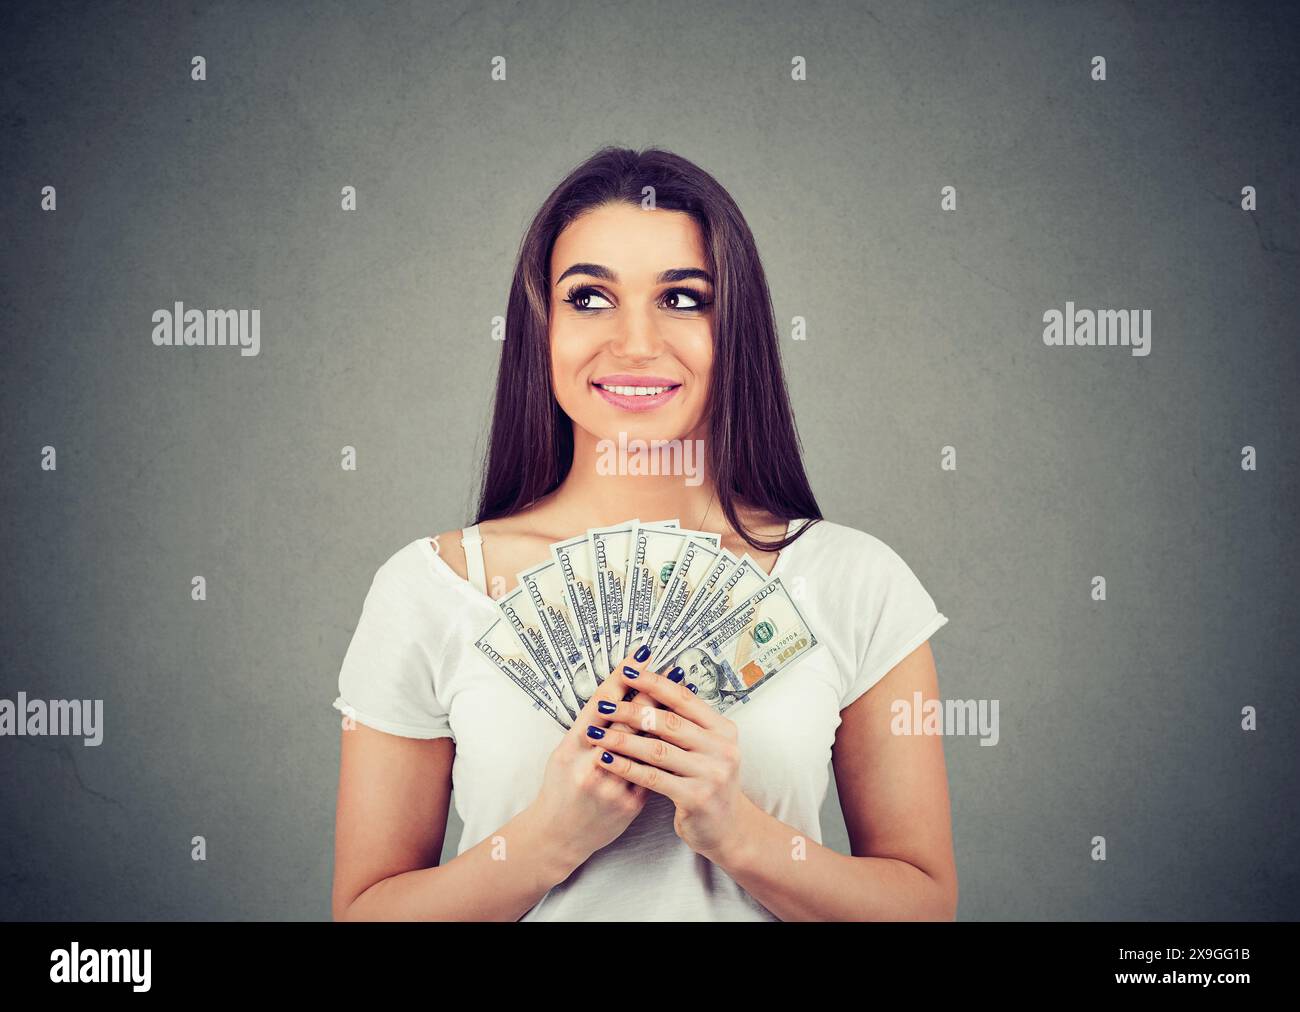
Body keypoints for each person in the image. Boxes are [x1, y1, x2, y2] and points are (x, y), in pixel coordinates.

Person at [330, 147, 955, 921]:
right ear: (542, 329)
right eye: (590, 298)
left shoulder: (856, 582)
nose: (634, 343)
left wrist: (741, 836)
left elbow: (924, 910)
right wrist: (547, 840)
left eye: (684, 299)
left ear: (737, 330)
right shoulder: (429, 590)